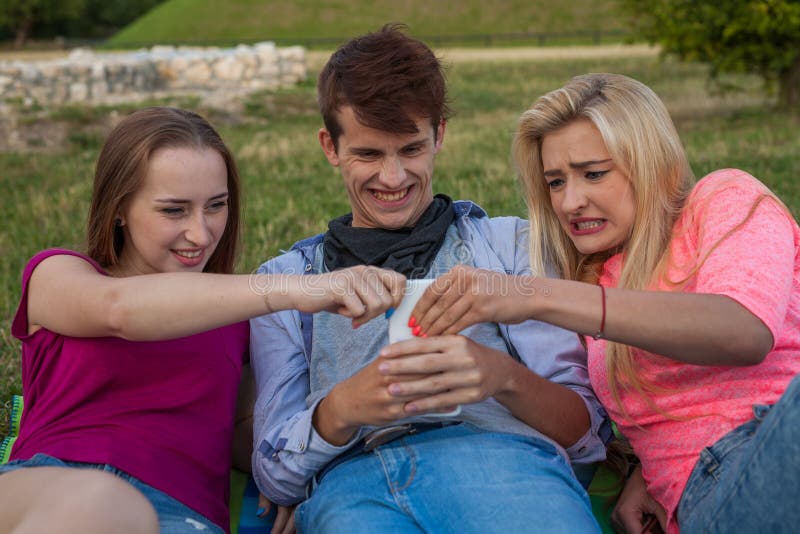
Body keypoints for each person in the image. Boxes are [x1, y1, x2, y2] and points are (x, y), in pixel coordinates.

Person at [249, 25, 609, 533]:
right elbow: (273, 473)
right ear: (330, 147)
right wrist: (344, 407)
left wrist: (499, 376)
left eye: (411, 150)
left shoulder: (508, 248)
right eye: (368, 155)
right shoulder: (288, 283)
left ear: (439, 135)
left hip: (501, 463)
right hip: (355, 484)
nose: (392, 178)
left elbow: (586, 435)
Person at [409, 73, 800, 534]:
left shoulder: (720, 200)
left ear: (650, 163)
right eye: (555, 182)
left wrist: (534, 295)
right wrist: (644, 465)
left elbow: (743, 329)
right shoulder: (586, 279)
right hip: (723, 485)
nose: (571, 201)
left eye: (594, 173)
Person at [0, 106, 404, 534]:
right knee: (99, 502)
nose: (202, 233)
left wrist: (293, 482)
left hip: (182, 518)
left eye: (216, 205)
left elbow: (259, 436)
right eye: (174, 210)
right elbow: (116, 309)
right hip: (51, 489)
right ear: (118, 209)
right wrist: (296, 288)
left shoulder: (237, 325)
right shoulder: (58, 275)